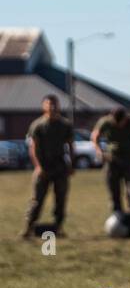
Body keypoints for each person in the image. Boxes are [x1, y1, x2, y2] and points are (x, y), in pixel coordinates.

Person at [20, 94, 74, 238]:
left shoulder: (65, 125)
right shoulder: (38, 125)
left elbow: (70, 145)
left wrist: (71, 164)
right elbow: (33, 148)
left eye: (55, 104)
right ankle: (28, 228)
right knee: (37, 199)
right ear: (43, 106)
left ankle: (58, 227)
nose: (53, 107)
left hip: (60, 168)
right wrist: (39, 167)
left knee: (61, 199)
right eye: (49, 104)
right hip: (43, 167)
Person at [91, 106, 130, 232]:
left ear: (125, 118)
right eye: (115, 123)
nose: (118, 125)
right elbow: (95, 136)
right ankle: (117, 223)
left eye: (120, 123)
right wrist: (99, 151)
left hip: (129, 160)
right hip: (112, 161)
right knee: (114, 194)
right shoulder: (105, 122)